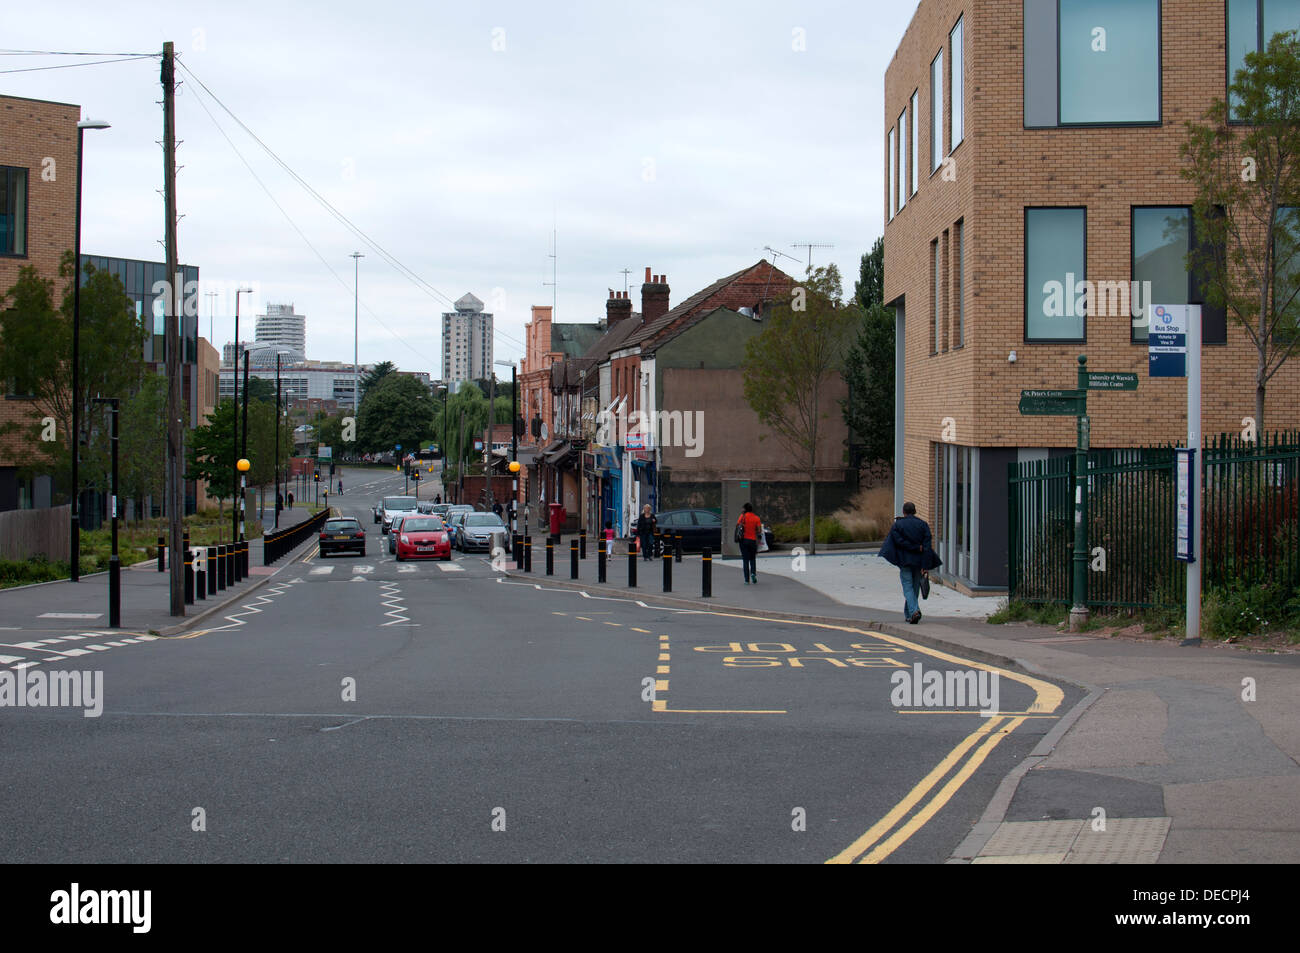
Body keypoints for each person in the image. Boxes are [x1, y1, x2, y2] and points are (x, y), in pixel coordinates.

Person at [879, 501, 940, 624]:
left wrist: (912, 547)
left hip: (904, 561)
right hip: (919, 562)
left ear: (903, 512)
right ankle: (910, 614)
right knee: (915, 588)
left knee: (907, 587)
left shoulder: (898, 525)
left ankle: (914, 611)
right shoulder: (923, 525)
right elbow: (927, 547)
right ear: (915, 511)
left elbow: (898, 541)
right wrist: (925, 564)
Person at [736, 502, 763, 584]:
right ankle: (753, 574)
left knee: (745, 560)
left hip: (743, 541)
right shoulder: (756, 518)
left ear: (745, 509)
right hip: (752, 541)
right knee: (752, 559)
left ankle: (746, 580)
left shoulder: (742, 517)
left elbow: (737, 526)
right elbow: (759, 531)